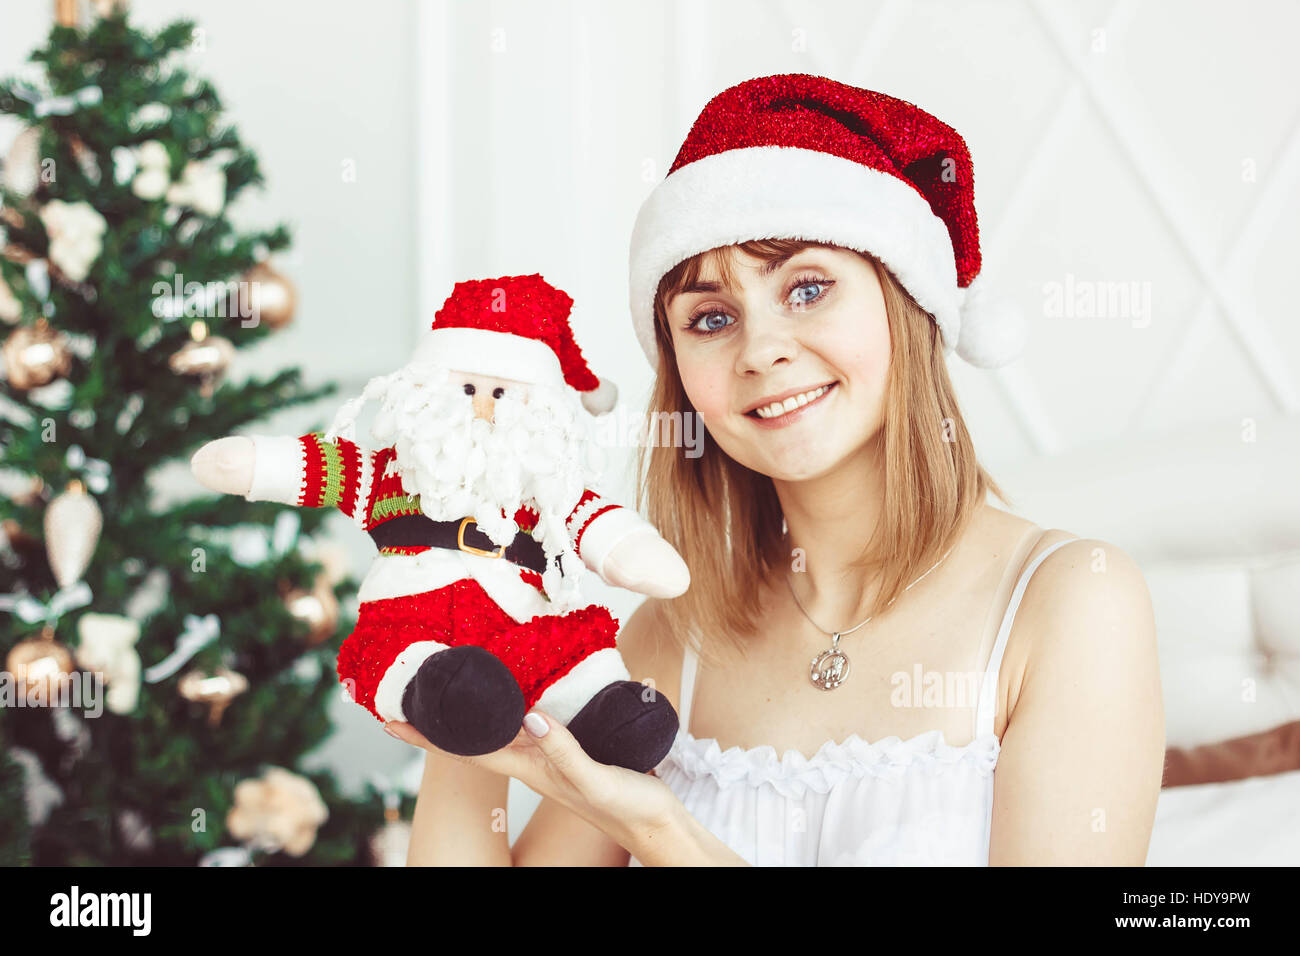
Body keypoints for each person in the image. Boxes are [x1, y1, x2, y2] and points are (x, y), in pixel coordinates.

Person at [391, 73, 1166, 866]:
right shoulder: (670, 638)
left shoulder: (1073, 602)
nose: (761, 351)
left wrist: (665, 834)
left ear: (908, 306)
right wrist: (466, 660)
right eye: (711, 319)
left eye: (808, 288)